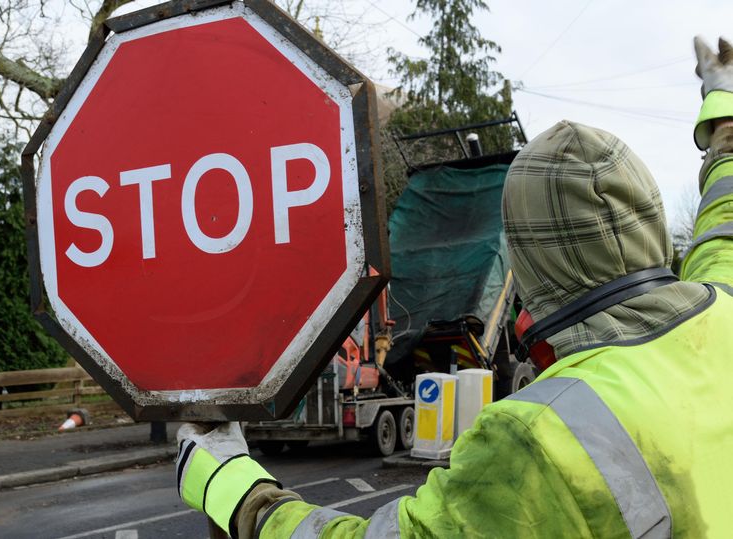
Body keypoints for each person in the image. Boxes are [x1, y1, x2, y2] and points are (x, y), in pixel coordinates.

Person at [174, 36, 733, 538]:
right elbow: (724, 219)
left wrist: (239, 494)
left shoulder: (538, 438)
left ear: (526, 260)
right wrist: (724, 105)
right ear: (653, 220)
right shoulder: (723, 305)